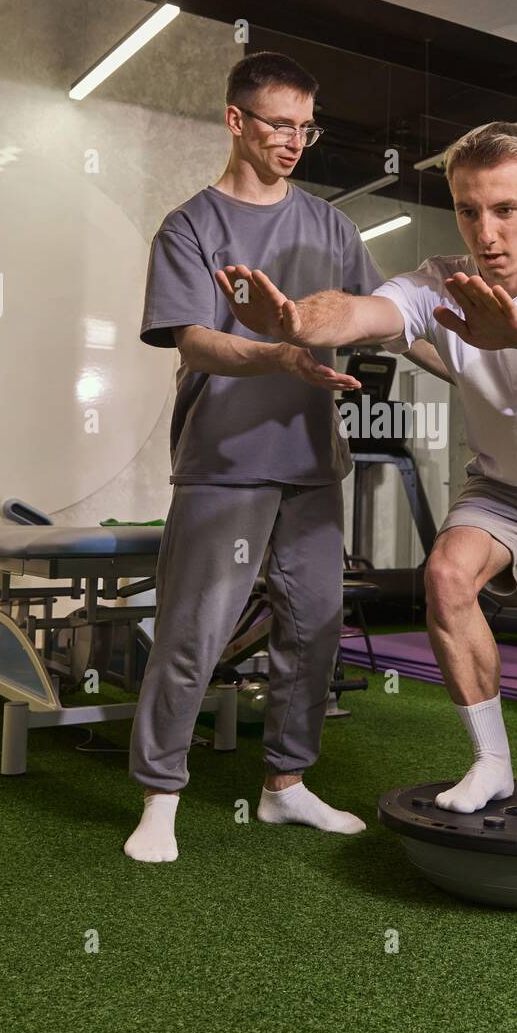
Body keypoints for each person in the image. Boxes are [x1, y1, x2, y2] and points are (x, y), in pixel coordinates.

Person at [215, 121, 517, 829]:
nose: (487, 231)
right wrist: (299, 320)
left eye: (505, 209)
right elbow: (366, 310)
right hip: (504, 488)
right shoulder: (439, 281)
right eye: (469, 210)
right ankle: (490, 762)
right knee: (446, 578)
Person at [124, 50, 450, 861]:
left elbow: (384, 318)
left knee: (313, 627)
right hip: (223, 462)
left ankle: (285, 786)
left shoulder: (333, 225)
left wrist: (483, 370)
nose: (295, 141)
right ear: (236, 120)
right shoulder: (191, 225)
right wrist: (278, 354)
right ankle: (160, 797)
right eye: (280, 124)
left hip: (310, 463)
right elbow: (195, 342)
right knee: (194, 630)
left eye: (307, 127)